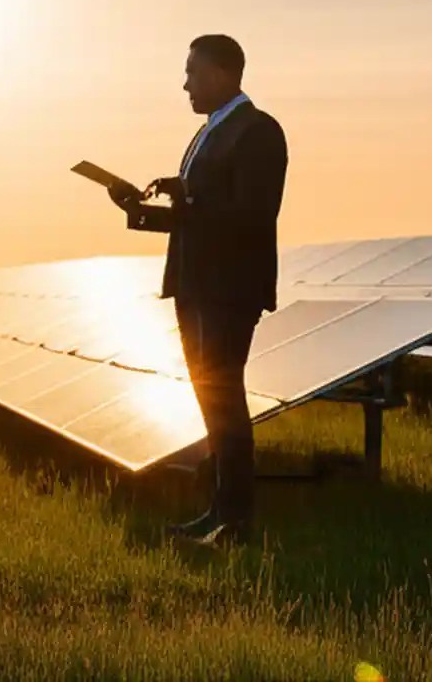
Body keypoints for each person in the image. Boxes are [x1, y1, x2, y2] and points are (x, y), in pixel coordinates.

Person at [108, 34, 287, 545]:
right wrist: (142, 211)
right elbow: (198, 219)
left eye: (192, 72)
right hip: (194, 287)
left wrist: (188, 198)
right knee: (211, 403)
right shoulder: (208, 133)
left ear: (222, 74)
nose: (184, 83)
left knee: (225, 401)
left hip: (229, 291)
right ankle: (219, 513)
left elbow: (253, 216)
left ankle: (236, 521)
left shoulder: (258, 132)